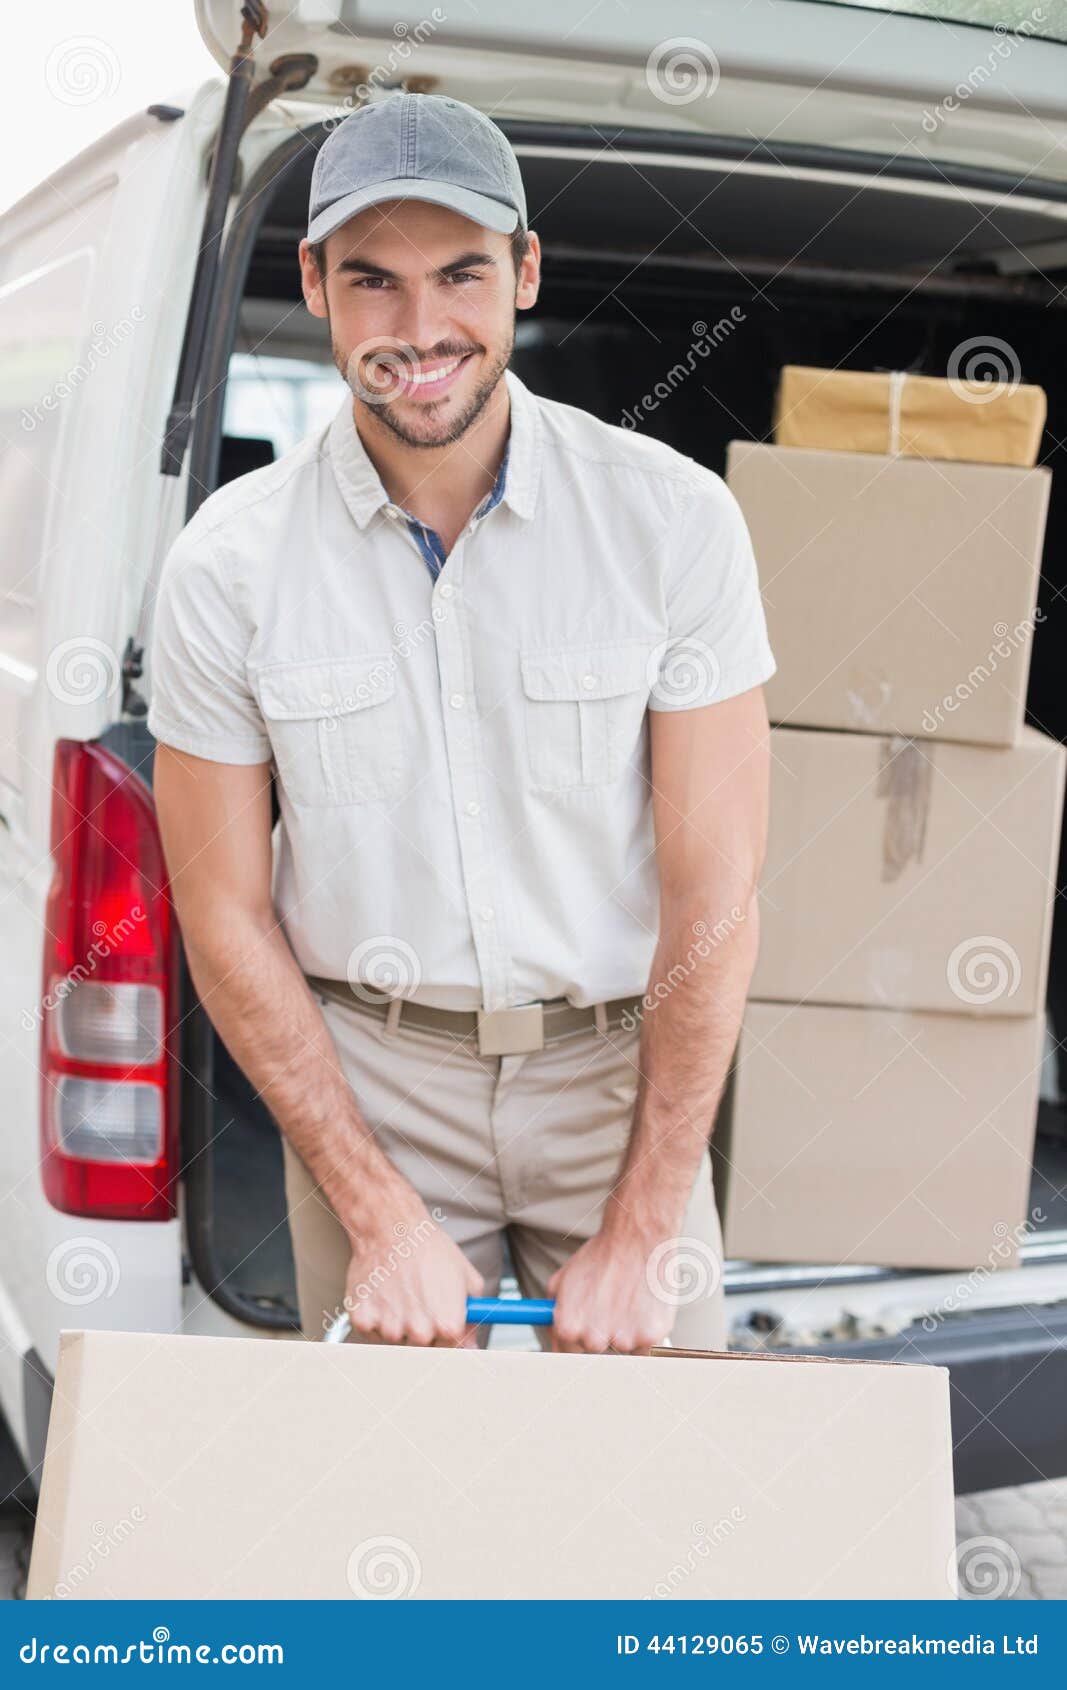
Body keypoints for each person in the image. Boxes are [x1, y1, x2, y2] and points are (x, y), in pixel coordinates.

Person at [148, 92, 775, 1355]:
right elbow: (222, 916)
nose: (419, 328)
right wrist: (376, 1210)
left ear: (524, 270)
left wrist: (644, 1220)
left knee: (662, 1466)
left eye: (461, 274)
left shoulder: (670, 523)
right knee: (395, 1470)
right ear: (313, 283)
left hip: (617, 1081)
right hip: (372, 1090)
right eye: (372, 280)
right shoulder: (226, 565)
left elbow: (713, 895)